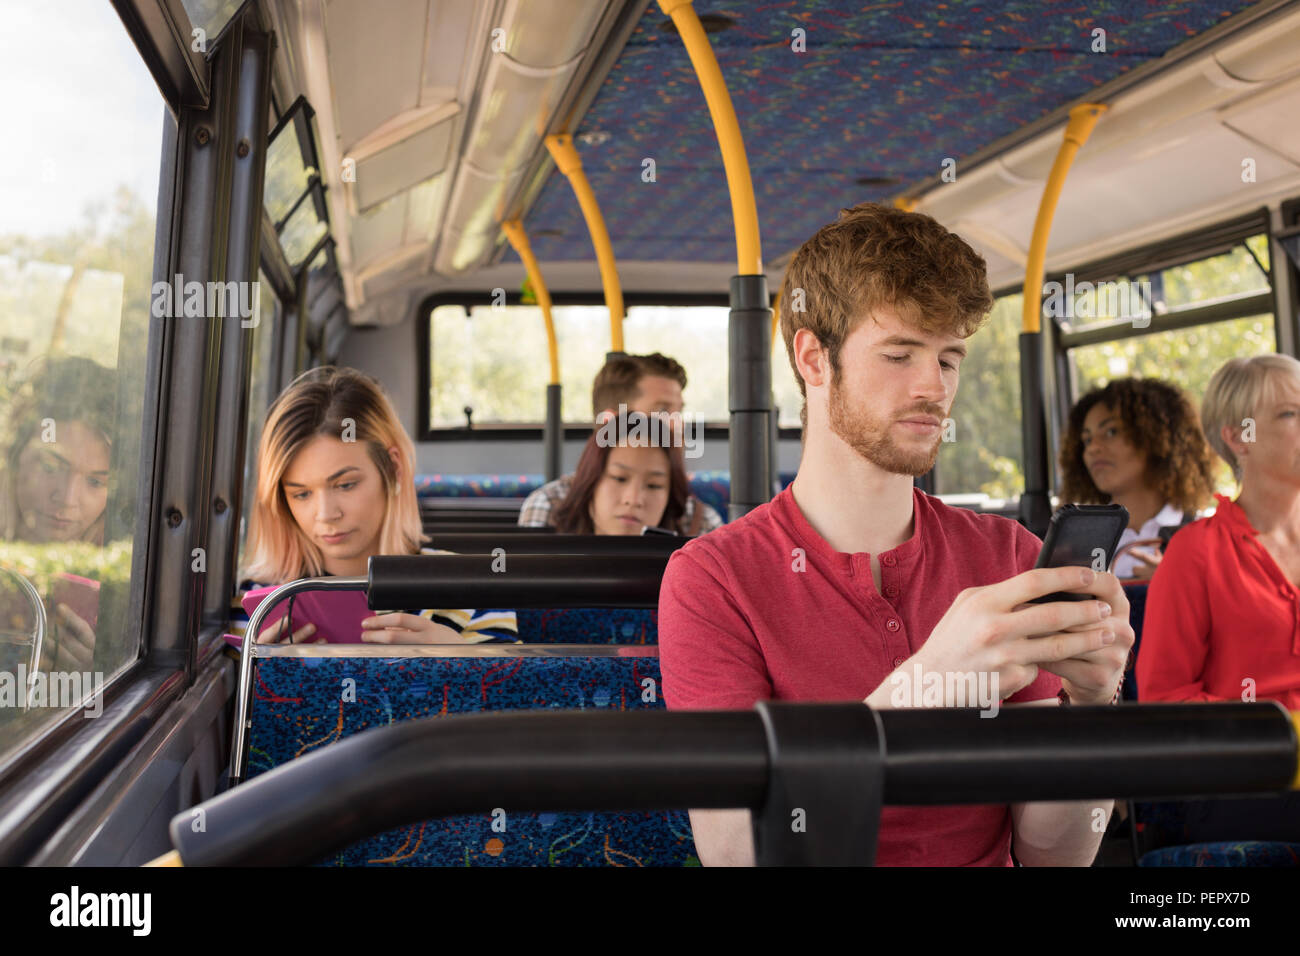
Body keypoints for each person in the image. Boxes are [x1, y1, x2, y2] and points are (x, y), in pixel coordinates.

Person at [658, 202, 1132, 866]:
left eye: (949, 357)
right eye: (900, 353)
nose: (933, 387)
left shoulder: (1009, 558)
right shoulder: (712, 581)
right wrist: (923, 687)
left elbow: (1054, 857)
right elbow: (741, 855)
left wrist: (1091, 708)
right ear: (814, 358)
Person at [1136, 355, 1300, 843]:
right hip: (1247, 782)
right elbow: (1164, 701)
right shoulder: (1196, 553)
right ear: (1238, 436)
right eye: (1291, 413)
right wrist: (1277, 736)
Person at [241, 367, 516, 644]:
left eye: (346, 485)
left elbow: (509, 686)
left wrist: (460, 661)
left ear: (393, 468)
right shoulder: (258, 603)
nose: (326, 514)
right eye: (301, 494)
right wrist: (262, 675)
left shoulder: (472, 587)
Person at [0, 356, 118, 673]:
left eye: (95, 481)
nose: (66, 499)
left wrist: (91, 678)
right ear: (14, 455)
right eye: (51, 467)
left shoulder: (119, 585)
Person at [517, 352, 722, 534]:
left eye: (680, 413)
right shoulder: (549, 507)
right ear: (610, 424)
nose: (678, 427)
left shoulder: (699, 520)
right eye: (662, 412)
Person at [1058, 377, 1217, 579]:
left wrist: (1178, 583)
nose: (1092, 448)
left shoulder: (1206, 535)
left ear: (1155, 437)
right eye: (1087, 439)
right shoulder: (1074, 546)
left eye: (1111, 432)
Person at [551, 411, 689, 535]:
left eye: (653, 485)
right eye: (619, 478)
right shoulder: (549, 556)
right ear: (590, 483)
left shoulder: (696, 554)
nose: (633, 500)